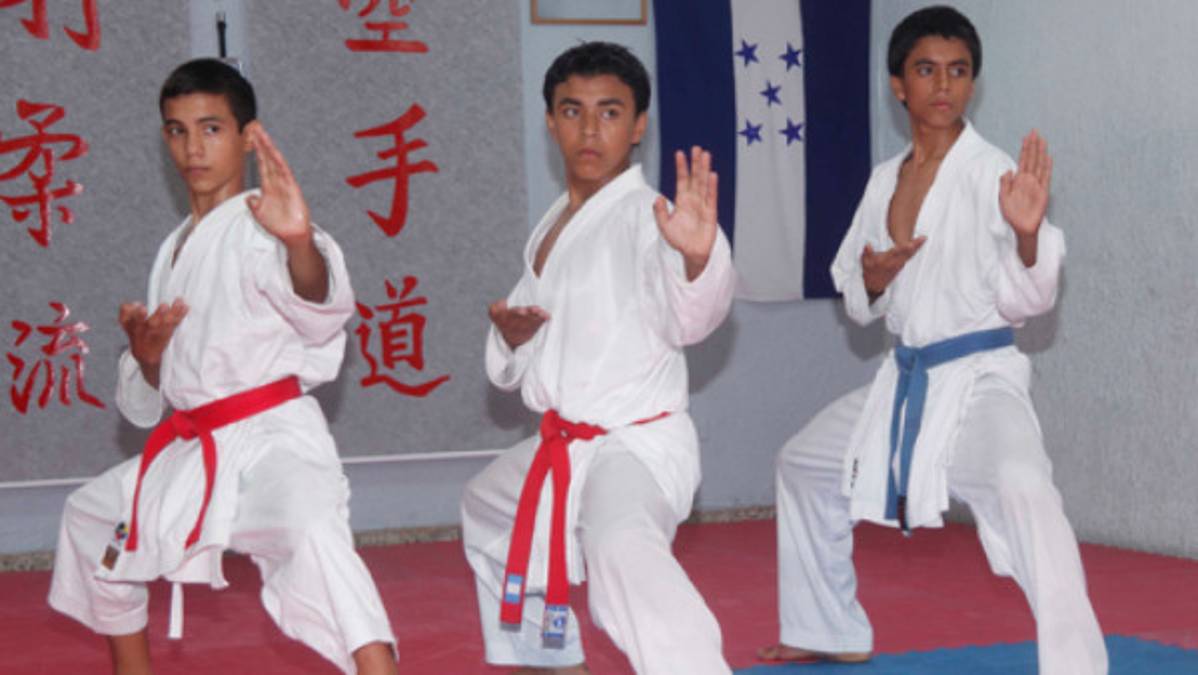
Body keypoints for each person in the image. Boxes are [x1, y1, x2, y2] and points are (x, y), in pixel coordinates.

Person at [759, 7, 1108, 674]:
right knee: (802, 464)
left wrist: (1028, 236)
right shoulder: (884, 179)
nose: (943, 84)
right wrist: (873, 280)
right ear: (899, 85)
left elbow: (1029, 302)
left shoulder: (992, 173)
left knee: (1024, 489)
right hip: (907, 380)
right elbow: (855, 289)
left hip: (979, 382)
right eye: (926, 70)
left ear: (973, 82)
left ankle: (1078, 664)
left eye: (958, 70)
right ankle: (823, 625)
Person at [46, 58, 398, 675]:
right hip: (195, 445)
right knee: (92, 518)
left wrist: (298, 244)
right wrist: (148, 359)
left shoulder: (266, 223)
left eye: (211, 128)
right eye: (177, 130)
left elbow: (316, 297)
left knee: (315, 537)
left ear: (247, 137)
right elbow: (149, 402)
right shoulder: (176, 245)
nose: (193, 148)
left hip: (270, 441)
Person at [460, 42, 736, 675]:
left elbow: (689, 318)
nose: (589, 130)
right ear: (550, 121)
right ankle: (551, 657)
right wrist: (513, 337)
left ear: (638, 126)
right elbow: (529, 343)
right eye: (572, 111)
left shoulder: (650, 220)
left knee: (619, 546)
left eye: (609, 112)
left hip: (633, 446)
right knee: (486, 505)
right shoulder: (556, 223)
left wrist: (697, 260)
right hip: (567, 442)